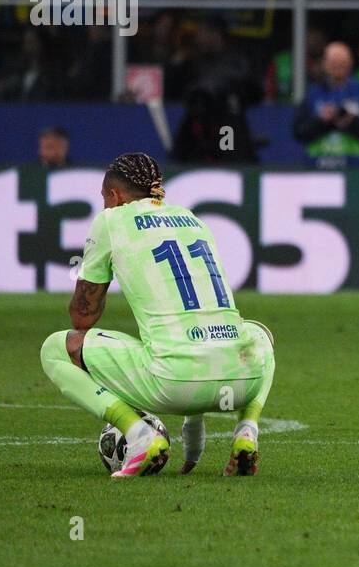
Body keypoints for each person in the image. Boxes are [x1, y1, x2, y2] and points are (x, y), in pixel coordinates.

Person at [41, 153, 275, 477]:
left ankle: (139, 436)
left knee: (55, 348)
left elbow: (83, 317)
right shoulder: (194, 220)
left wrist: (101, 268)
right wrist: (195, 430)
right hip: (241, 381)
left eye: (104, 199)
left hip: (173, 382)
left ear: (114, 196)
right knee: (257, 332)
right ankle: (247, 429)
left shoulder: (111, 220)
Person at [292, 41, 359, 166]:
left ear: (350, 63)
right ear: (324, 64)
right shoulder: (313, 94)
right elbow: (299, 132)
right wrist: (321, 120)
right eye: (333, 63)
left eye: (342, 63)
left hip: (355, 164)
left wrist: (352, 122)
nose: (338, 67)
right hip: (317, 162)